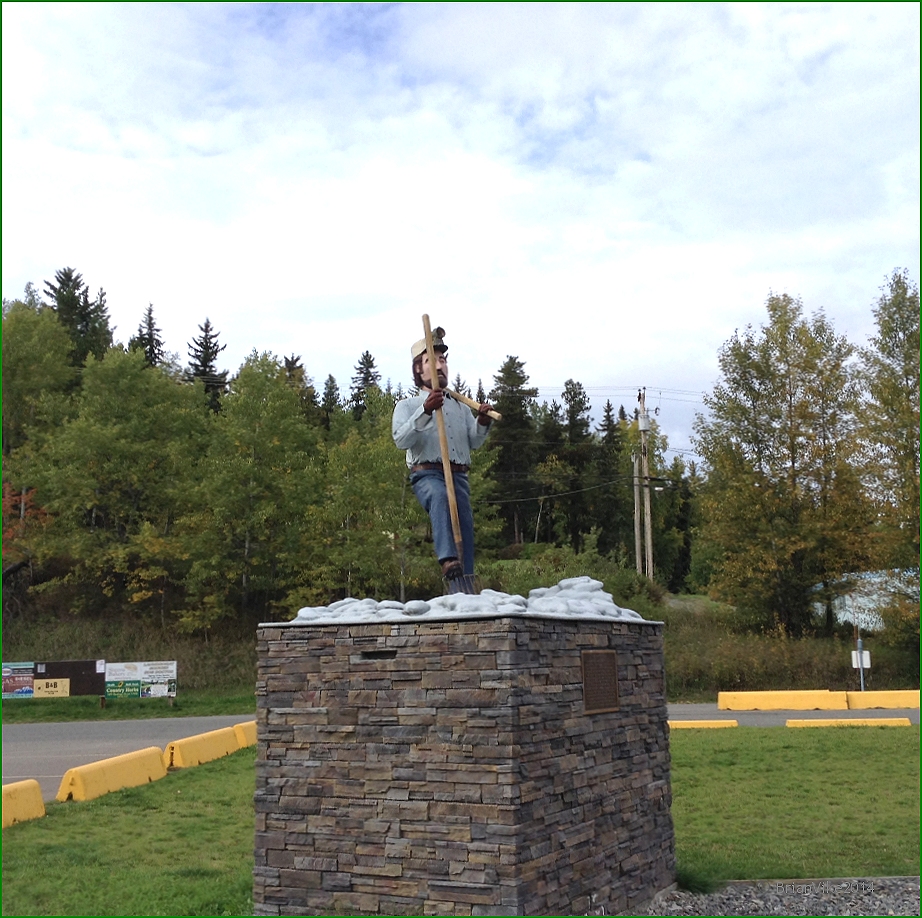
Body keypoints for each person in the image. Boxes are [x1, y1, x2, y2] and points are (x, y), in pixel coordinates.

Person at [392, 326, 494, 593]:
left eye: (443, 359)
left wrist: (482, 421)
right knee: (439, 497)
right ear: (418, 370)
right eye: (431, 360)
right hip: (427, 473)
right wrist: (426, 411)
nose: (440, 365)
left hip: (459, 475)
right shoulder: (407, 407)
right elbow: (401, 440)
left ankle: (465, 591)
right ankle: (447, 559)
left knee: (465, 526)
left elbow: (473, 441)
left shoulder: (459, 406)